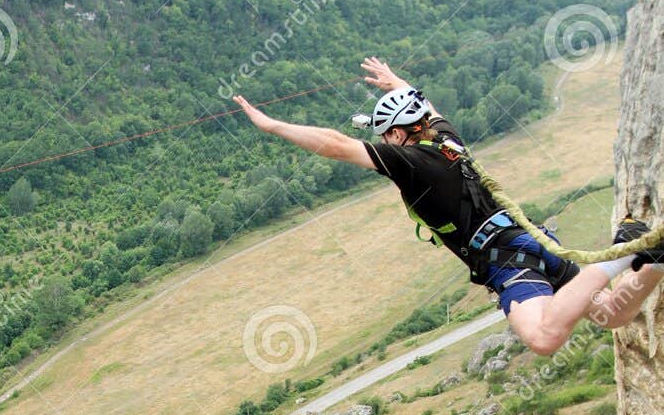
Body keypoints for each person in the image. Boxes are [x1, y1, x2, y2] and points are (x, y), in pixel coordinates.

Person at [234, 56, 662, 357]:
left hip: (508, 260)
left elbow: (336, 144)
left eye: (386, 137)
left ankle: (620, 255)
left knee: (545, 338)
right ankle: (653, 261)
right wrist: (397, 82)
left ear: (399, 136)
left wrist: (272, 124)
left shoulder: (412, 161)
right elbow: (428, 107)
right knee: (608, 314)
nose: (384, 144)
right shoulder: (444, 138)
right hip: (528, 239)